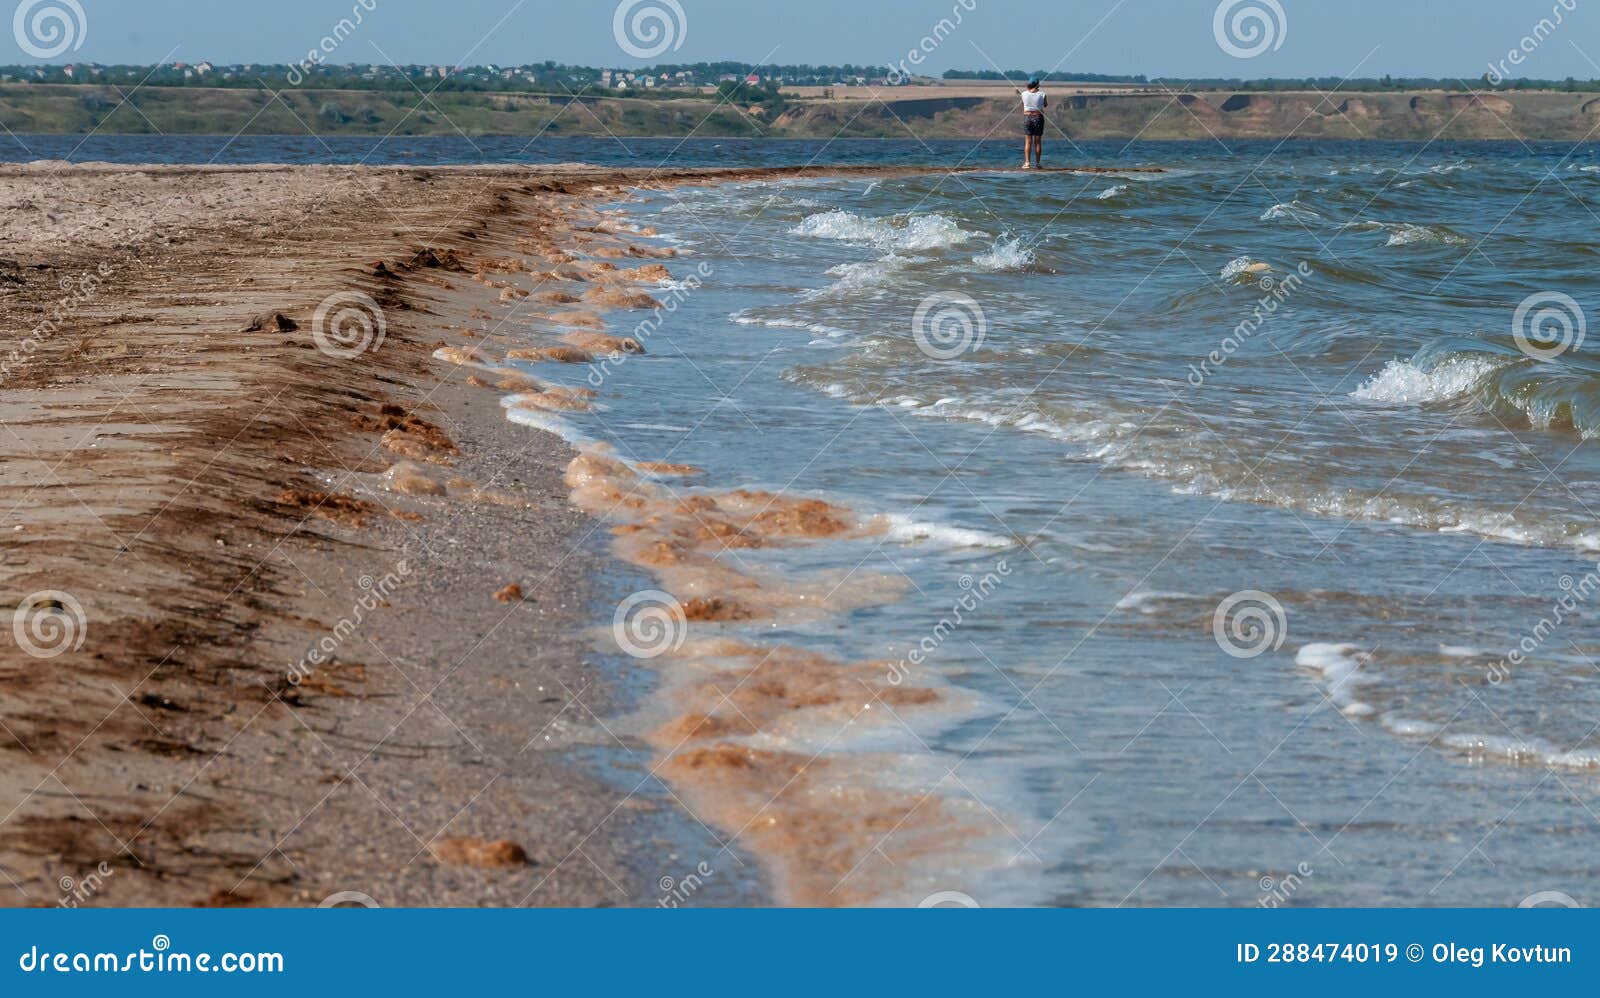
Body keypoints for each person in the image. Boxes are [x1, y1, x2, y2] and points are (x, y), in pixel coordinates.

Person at [1021, 78, 1047, 170]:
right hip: (1038, 117)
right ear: (1037, 84)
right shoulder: (1042, 94)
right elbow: (1045, 105)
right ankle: (1037, 164)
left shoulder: (1023, 94)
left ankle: (1027, 163)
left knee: (1028, 142)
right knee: (1038, 142)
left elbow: (1023, 104)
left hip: (1027, 117)